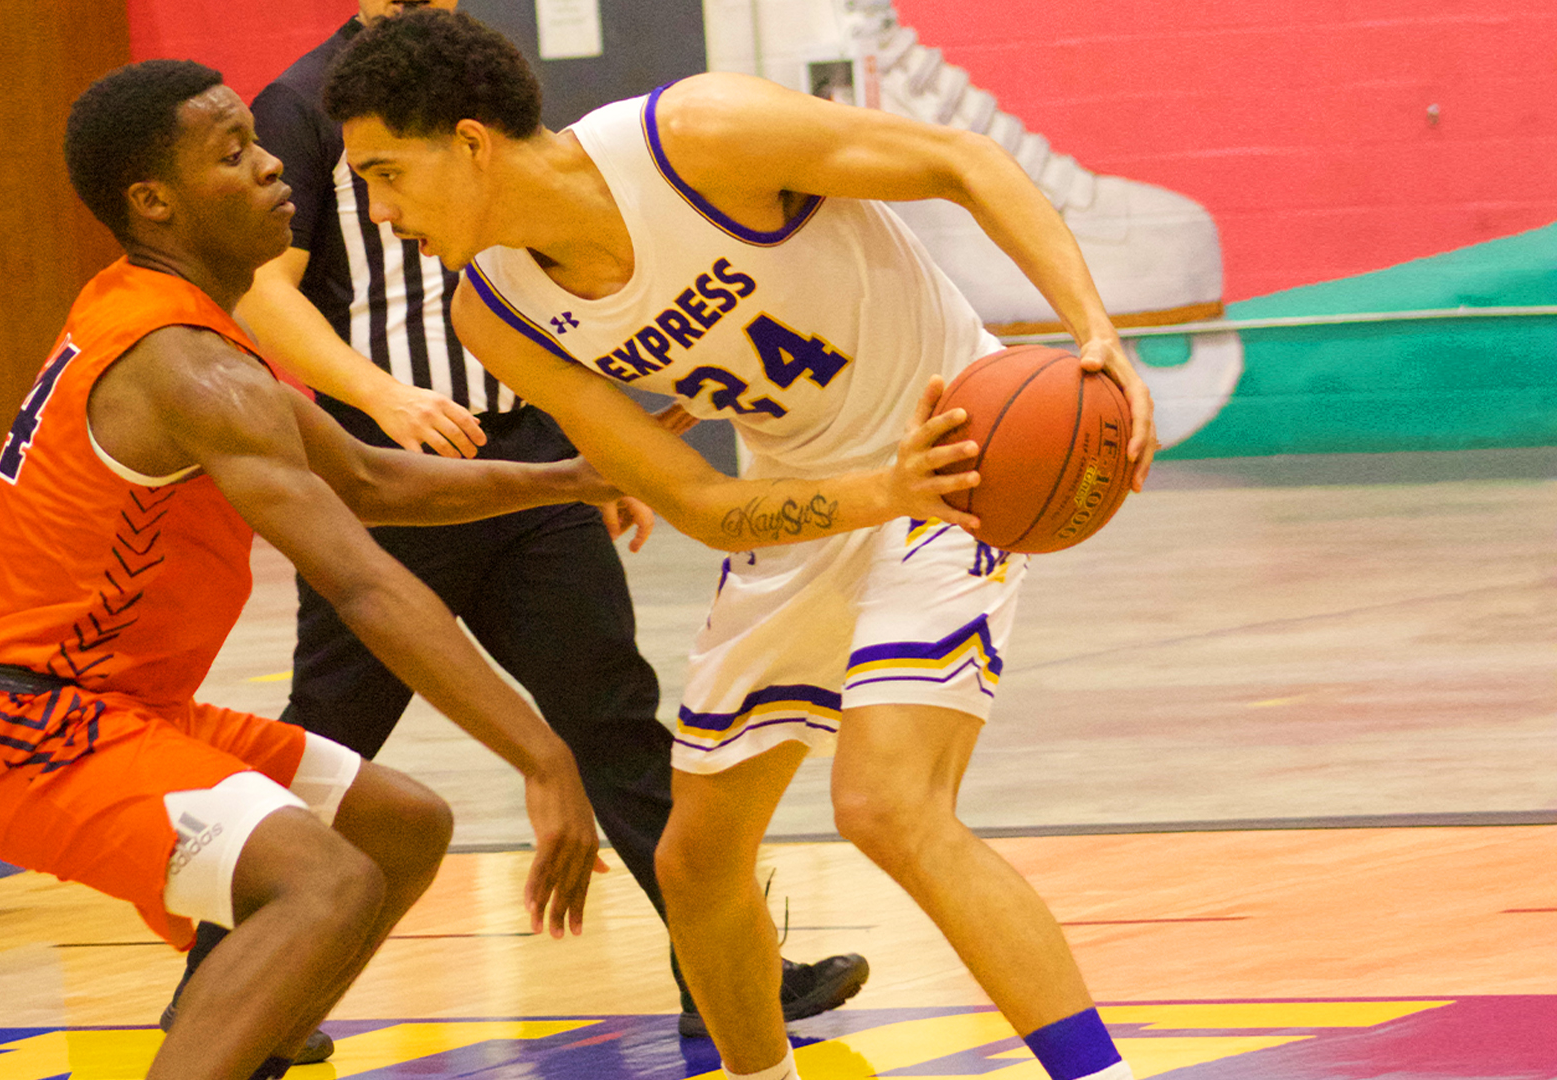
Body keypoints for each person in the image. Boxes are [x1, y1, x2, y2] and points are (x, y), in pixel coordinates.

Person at [323, 11, 1157, 1080]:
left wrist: (1094, 332)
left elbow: (963, 160)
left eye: (386, 174)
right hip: (811, 500)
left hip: (955, 459)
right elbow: (703, 503)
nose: (379, 212)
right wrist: (872, 492)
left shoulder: (697, 138)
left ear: (473, 142)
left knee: (887, 807)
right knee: (695, 860)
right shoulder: (496, 313)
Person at [149, 0, 871, 1054]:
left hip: (526, 456)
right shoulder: (306, 103)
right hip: (388, 476)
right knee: (331, 740)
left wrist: (595, 448)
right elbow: (264, 294)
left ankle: (730, 974)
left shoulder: (469, 73)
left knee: (612, 714)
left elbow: (549, 277)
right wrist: (382, 396)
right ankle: (215, 988)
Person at [0, 58, 613, 1080]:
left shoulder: (177, 325)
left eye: (257, 143)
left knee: (399, 829)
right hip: (34, 730)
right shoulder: (185, 367)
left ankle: (247, 1053)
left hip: (126, 711)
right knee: (324, 883)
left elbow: (372, 480)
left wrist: (577, 477)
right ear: (154, 202)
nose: (273, 166)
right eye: (233, 153)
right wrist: (541, 756)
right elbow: (366, 581)